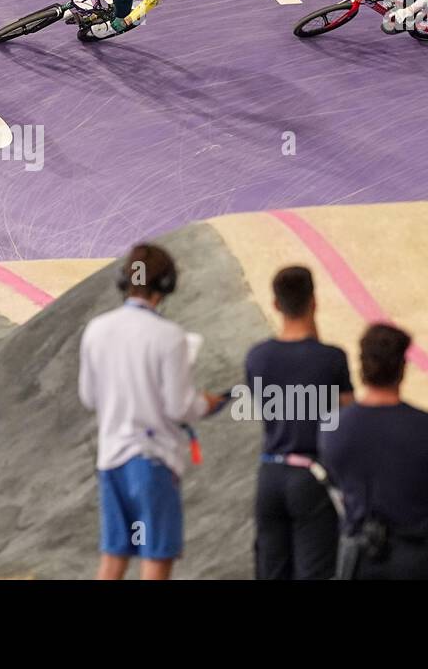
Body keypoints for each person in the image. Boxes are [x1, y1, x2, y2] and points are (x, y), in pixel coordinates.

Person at [78, 243, 224, 580]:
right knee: (155, 560)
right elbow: (179, 406)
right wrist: (207, 403)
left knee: (113, 558)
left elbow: (89, 396)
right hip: (153, 461)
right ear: (167, 285)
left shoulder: (97, 329)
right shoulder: (170, 337)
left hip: (111, 458)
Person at [318, 323, 428, 580]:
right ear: (402, 369)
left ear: (362, 368)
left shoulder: (333, 429)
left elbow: (338, 482)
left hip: (361, 557)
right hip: (415, 556)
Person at [244, 266, 354, 580]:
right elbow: (348, 417)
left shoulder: (257, 357)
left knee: (271, 571)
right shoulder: (331, 358)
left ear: (276, 305)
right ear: (314, 302)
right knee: (315, 572)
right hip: (310, 475)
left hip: (270, 474)